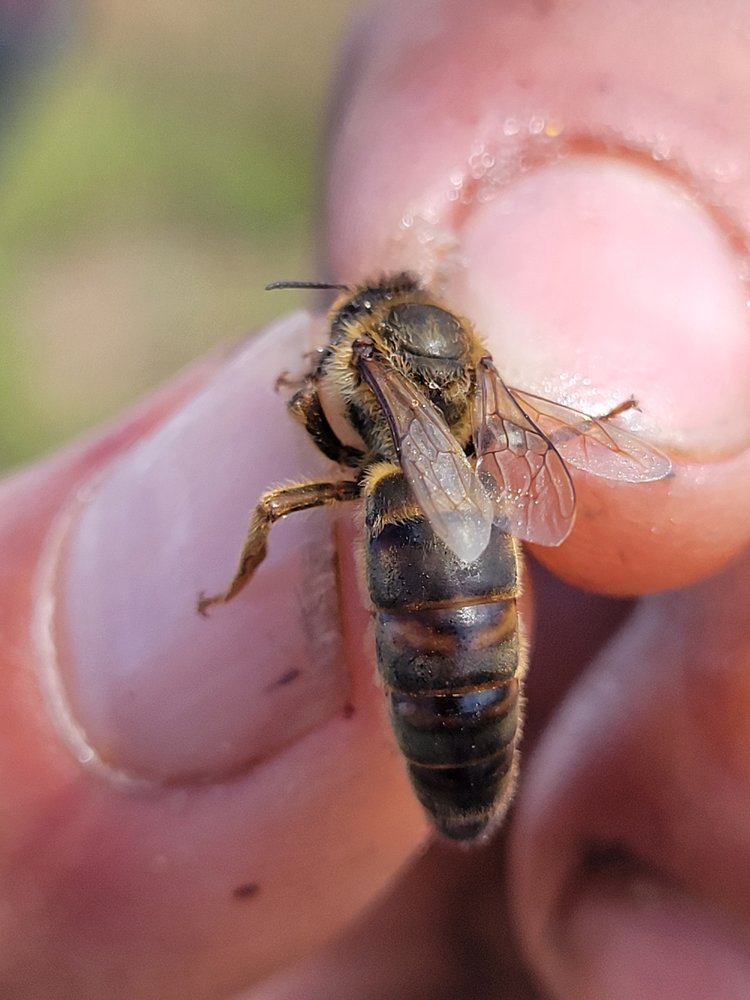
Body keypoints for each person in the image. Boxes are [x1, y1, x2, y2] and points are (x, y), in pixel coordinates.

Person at [4, 1, 750, 997]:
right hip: (469, 560)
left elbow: (324, 415)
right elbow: (544, 470)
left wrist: (303, 397)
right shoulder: (482, 378)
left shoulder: (365, 370)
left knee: (276, 502)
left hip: (436, 561)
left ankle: (335, 666)